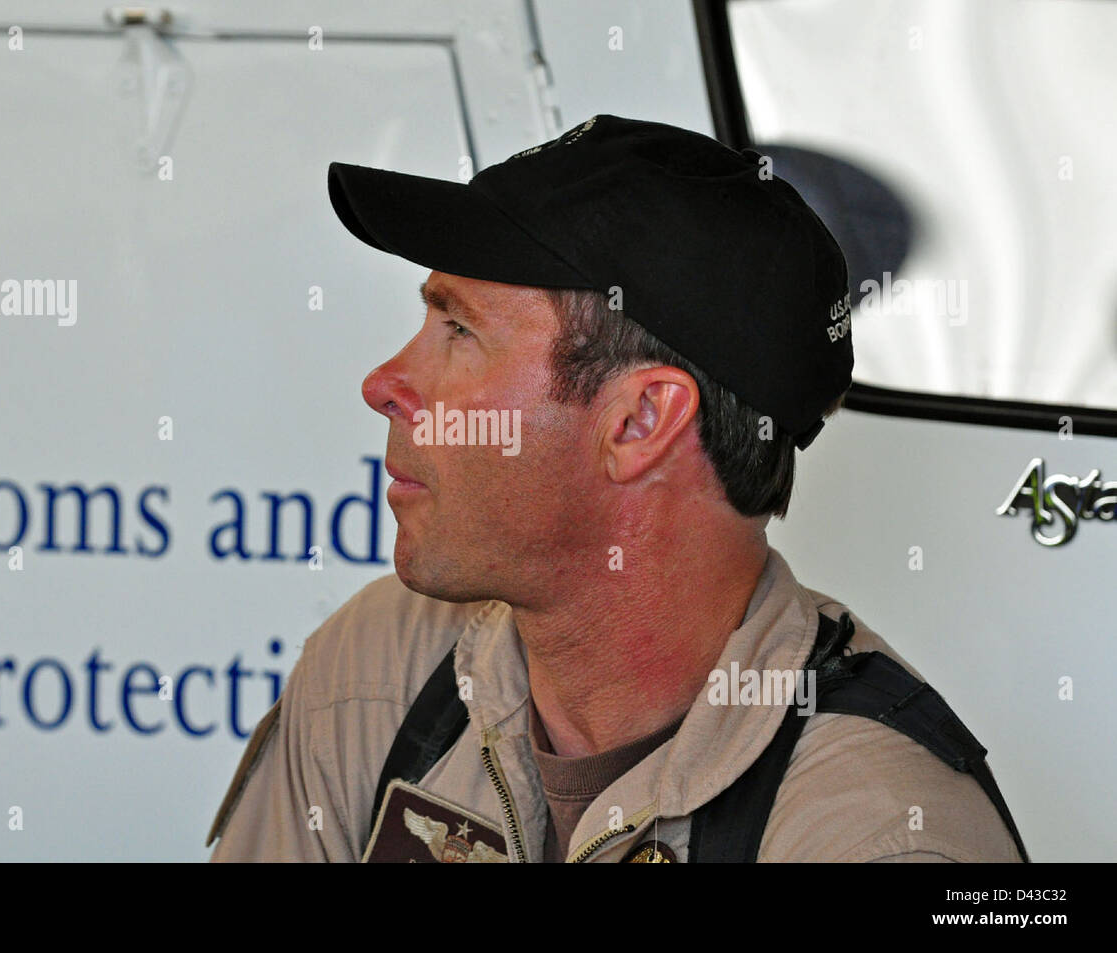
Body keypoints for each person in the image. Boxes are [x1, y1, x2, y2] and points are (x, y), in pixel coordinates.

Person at [207, 115, 1026, 863]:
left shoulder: (884, 830)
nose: (383, 383)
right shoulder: (382, 666)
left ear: (641, 421)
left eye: (459, 330)